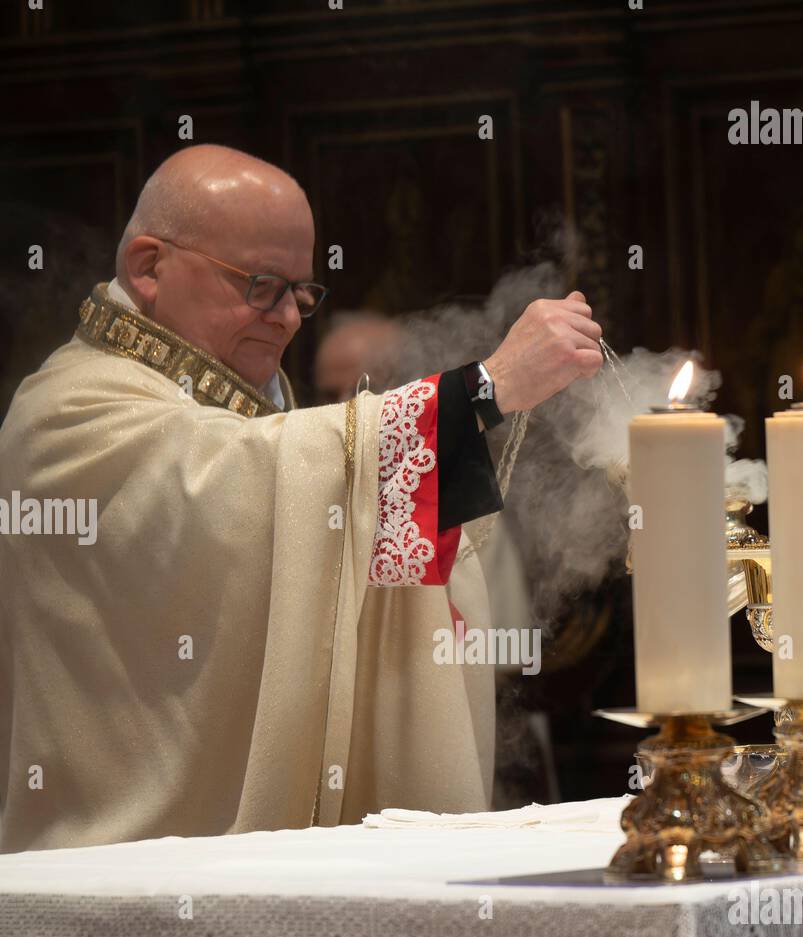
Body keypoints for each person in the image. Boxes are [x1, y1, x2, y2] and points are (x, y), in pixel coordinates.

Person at [0, 144, 602, 851]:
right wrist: (481, 388)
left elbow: (293, 476)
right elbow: (232, 480)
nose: (288, 317)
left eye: (302, 292)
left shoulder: (245, 401)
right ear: (148, 266)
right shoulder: (66, 416)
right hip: (110, 872)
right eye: (260, 285)